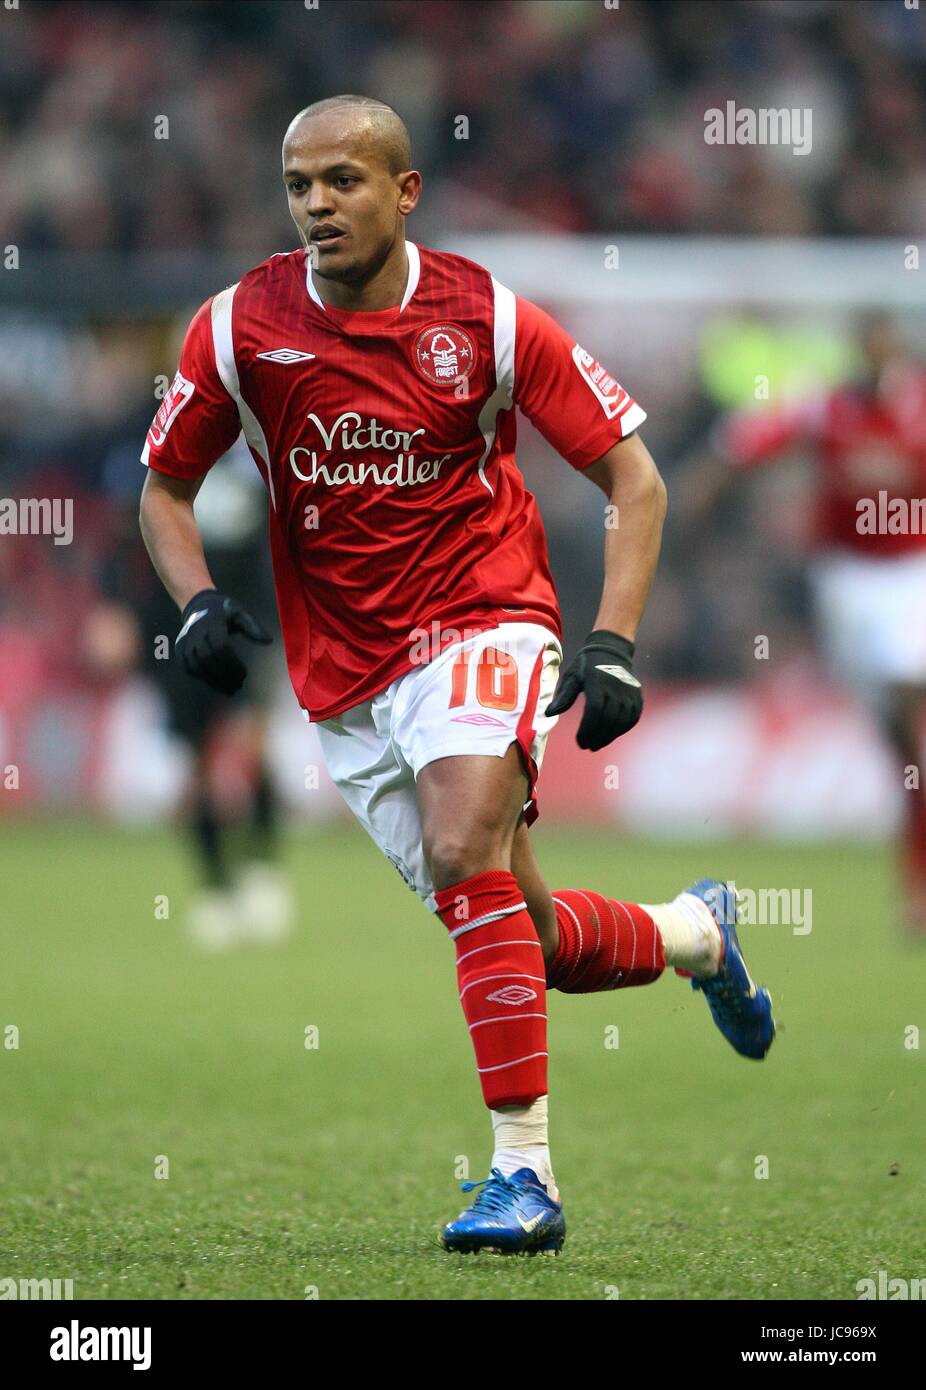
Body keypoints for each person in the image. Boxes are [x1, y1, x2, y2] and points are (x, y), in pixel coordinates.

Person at [139, 95, 774, 1257]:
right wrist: (193, 604)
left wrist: (614, 637)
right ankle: (696, 934)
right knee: (521, 931)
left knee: (457, 840)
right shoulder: (237, 329)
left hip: (485, 614)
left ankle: (521, 1180)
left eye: (344, 180)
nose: (318, 205)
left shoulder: (484, 317)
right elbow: (163, 490)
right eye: (299, 186)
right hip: (348, 677)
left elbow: (636, 480)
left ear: (404, 189)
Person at [689, 315, 926, 935]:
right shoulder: (828, 410)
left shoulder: (920, 410)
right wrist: (698, 485)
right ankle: (915, 857)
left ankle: (917, 877)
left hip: (911, 576)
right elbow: (750, 442)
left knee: (909, 703)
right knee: (898, 740)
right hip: (846, 580)